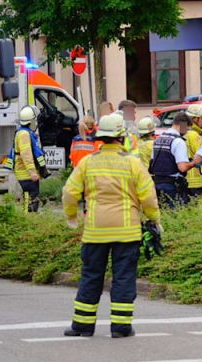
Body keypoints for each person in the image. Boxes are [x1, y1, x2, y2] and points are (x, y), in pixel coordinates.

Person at [62, 113, 160, 338]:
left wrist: (71, 216)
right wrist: (155, 219)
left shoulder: (88, 162)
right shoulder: (132, 164)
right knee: (124, 278)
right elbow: (148, 197)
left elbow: (69, 193)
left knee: (91, 276)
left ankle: (82, 325)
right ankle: (121, 327)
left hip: (95, 231)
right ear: (121, 137)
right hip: (127, 231)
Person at [12, 105, 49, 212]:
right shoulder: (24, 134)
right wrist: (32, 172)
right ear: (32, 121)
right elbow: (26, 154)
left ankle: (29, 219)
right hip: (26, 173)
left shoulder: (25, 132)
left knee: (32, 199)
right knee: (30, 200)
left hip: (26, 172)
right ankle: (27, 220)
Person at [150, 113, 192, 205]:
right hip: (172, 186)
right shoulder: (178, 141)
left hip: (157, 184)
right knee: (175, 216)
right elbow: (182, 167)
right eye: (187, 128)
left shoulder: (158, 139)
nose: (187, 132)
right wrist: (194, 163)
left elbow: (152, 163)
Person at [184, 104, 202, 198]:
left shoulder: (183, 132)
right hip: (195, 180)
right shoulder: (194, 135)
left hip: (184, 179)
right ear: (195, 119)